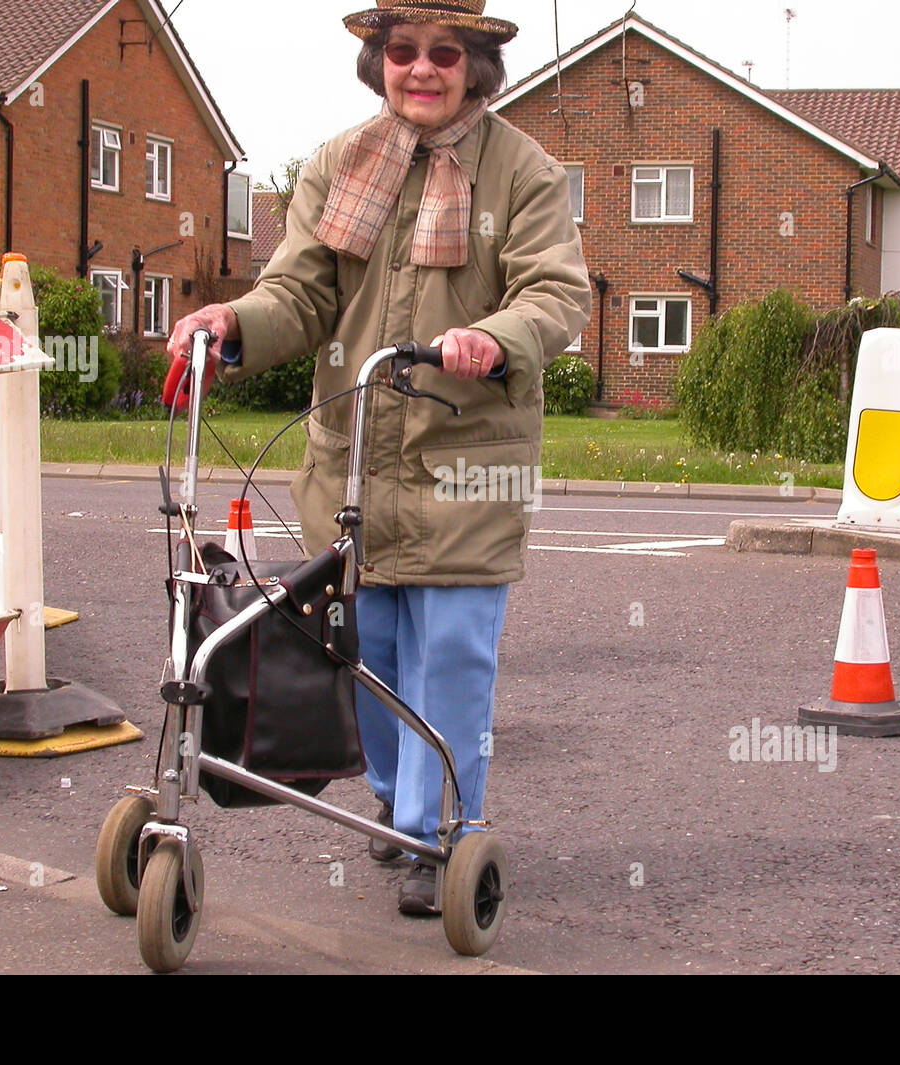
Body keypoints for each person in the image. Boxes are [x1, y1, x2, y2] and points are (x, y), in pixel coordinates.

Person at [166, 0, 591, 915]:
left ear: (476, 65)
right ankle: (401, 809)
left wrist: (496, 334)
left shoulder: (523, 170)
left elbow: (556, 291)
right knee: (363, 656)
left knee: (451, 658)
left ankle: (444, 831)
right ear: (380, 62)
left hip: (465, 464)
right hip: (354, 460)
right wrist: (233, 321)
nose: (422, 70)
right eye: (403, 52)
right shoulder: (339, 164)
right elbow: (299, 291)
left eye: (444, 53)